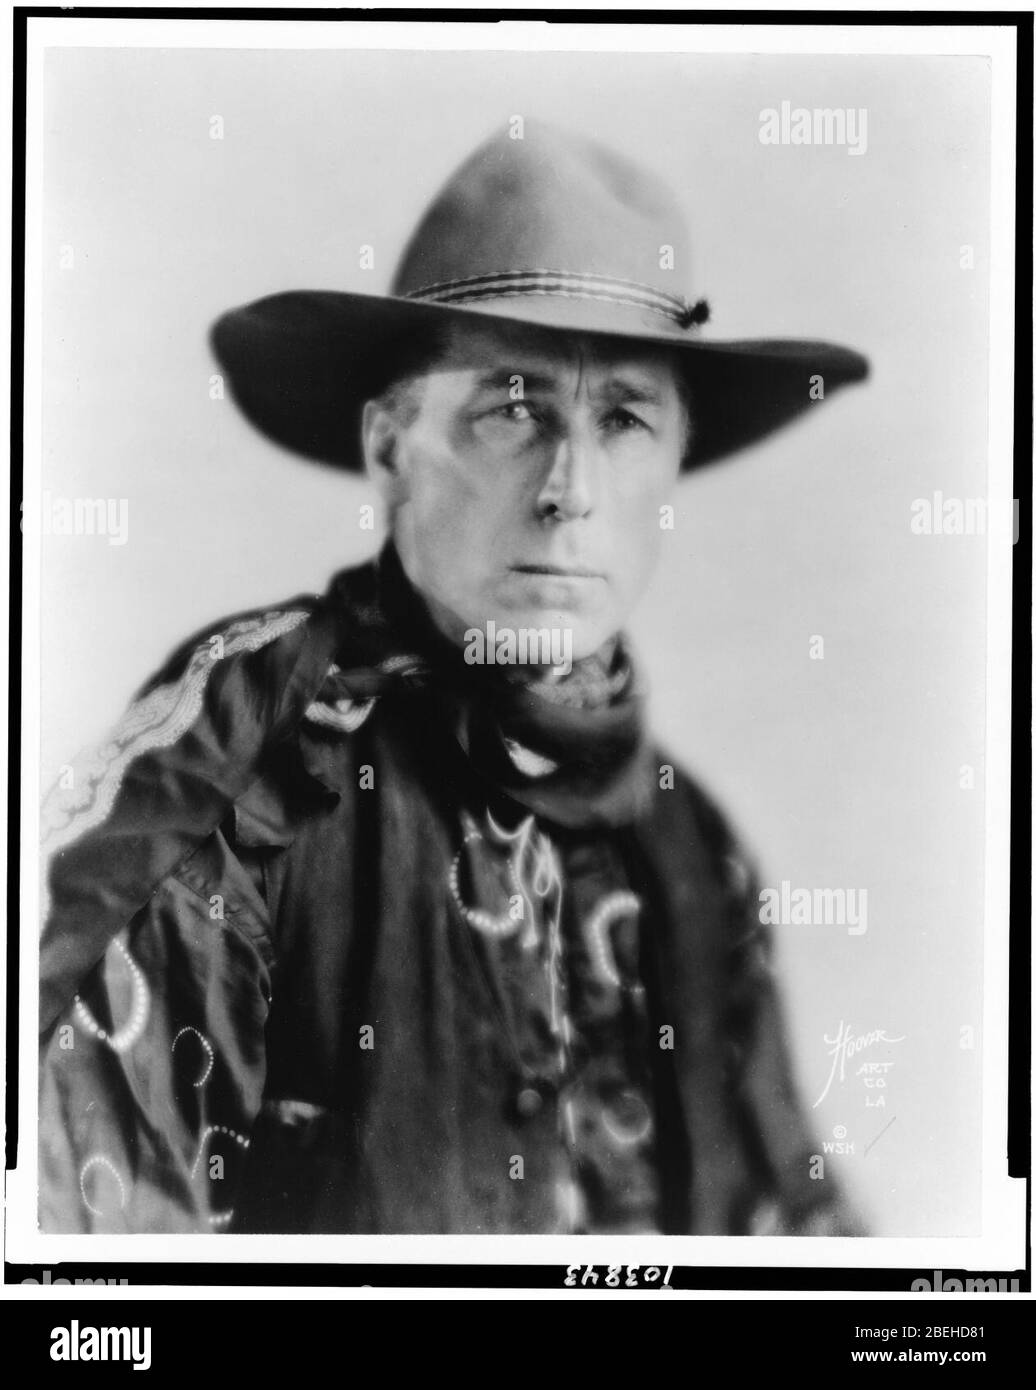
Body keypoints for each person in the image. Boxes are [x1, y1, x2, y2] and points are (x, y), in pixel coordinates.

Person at [38, 121, 869, 1234]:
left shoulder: (690, 850)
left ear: (669, 462)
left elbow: (799, 1244)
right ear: (391, 449)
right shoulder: (241, 775)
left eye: (622, 418)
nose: (570, 487)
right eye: (513, 408)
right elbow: (92, 1245)